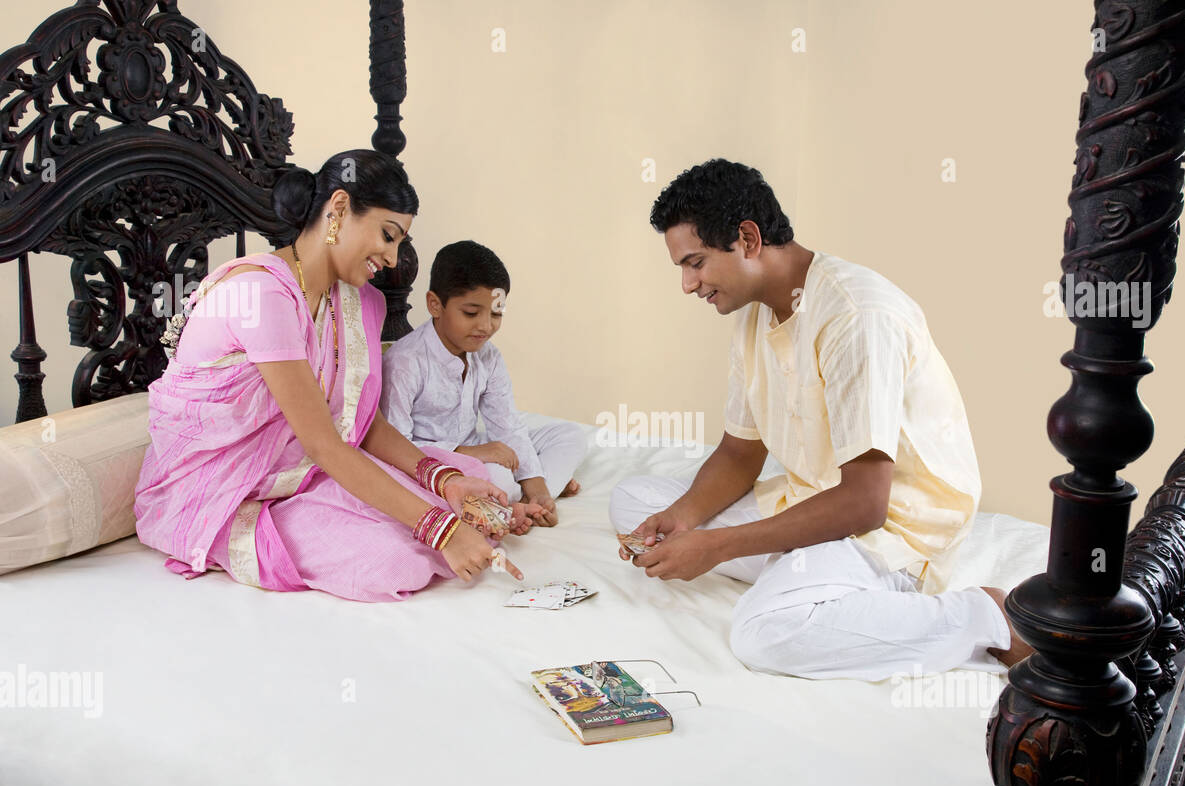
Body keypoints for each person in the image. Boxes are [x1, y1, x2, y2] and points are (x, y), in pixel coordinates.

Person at [610, 158, 1033, 680]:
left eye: (694, 262)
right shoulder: (754, 317)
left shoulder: (857, 315)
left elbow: (866, 504)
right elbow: (740, 453)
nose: (687, 284)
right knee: (633, 502)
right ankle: (796, 570)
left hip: (890, 526)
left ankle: (984, 615)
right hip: (808, 500)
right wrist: (683, 521)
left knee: (763, 633)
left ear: (746, 238)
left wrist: (716, 546)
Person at [134, 150, 541, 602]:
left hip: (300, 474)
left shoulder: (353, 301)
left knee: (466, 477)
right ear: (340, 209)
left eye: (399, 243)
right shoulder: (260, 295)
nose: (391, 258)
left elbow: (364, 426)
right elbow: (324, 443)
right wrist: (440, 530)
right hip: (222, 493)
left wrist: (445, 481)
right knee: (397, 558)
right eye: (388, 236)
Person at [379, 240, 586, 528]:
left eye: (496, 313)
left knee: (570, 435)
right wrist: (472, 454)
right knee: (497, 475)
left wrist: (538, 488)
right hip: (435, 463)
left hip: (477, 446)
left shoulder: (488, 355)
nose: (486, 326)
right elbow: (394, 447)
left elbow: (507, 425)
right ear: (435, 304)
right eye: (471, 313)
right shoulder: (405, 361)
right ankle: (516, 497)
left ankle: (533, 499)